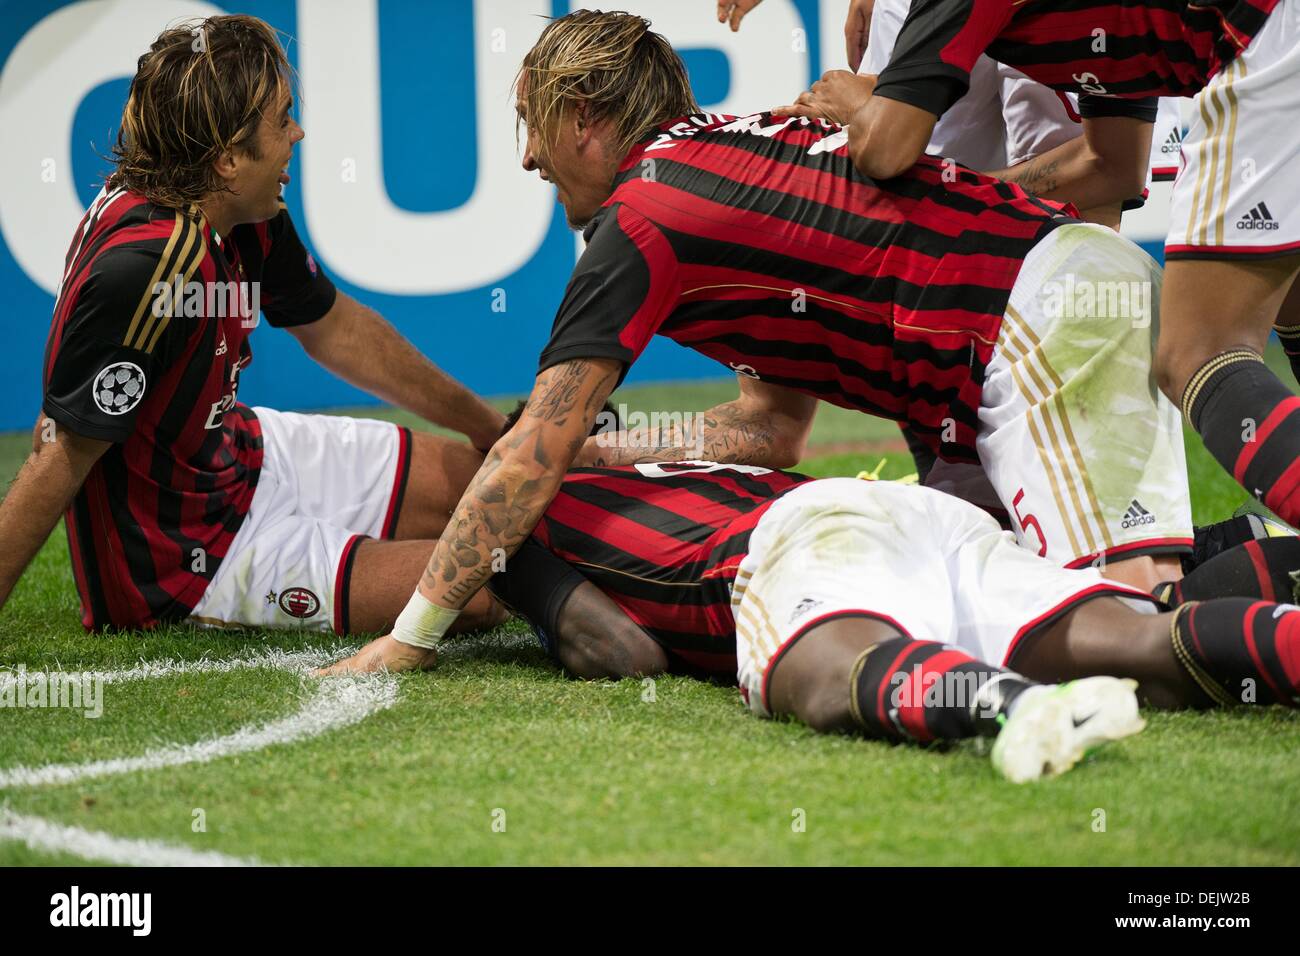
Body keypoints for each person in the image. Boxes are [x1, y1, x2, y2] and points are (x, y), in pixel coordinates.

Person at [342, 10, 1198, 674]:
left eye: (531, 124)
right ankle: (1268, 567)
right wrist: (610, 450)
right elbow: (770, 432)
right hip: (1038, 312)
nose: (529, 158)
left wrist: (413, 635)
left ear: (580, 119)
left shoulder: (642, 218)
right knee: (1027, 592)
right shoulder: (724, 165)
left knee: (1109, 623)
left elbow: (530, 454)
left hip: (1033, 327)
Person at [327, 457, 1300, 782]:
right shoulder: (649, 460)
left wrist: (532, 602)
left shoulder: (525, 518)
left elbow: (621, 651)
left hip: (797, 548)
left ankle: (1006, 707)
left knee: (833, 677)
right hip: (908, 511)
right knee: (1141, 644)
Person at [0, 15, 506, 635]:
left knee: (491, 492)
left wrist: (496, 433)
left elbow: (332, 326)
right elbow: (58, 452)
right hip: (188, 562)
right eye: (282, 118)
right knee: (475, 588)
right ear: (230, 159)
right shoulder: (150, 267)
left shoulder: (238, 210)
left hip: (247, 454)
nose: (299, 131)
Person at [776, 0, 1300, 532]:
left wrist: (862, 109)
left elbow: (1105, 171)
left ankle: (1108, 536)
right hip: (1258, 40)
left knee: (1198, 351)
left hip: (1263, 41)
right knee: (1291, 292)